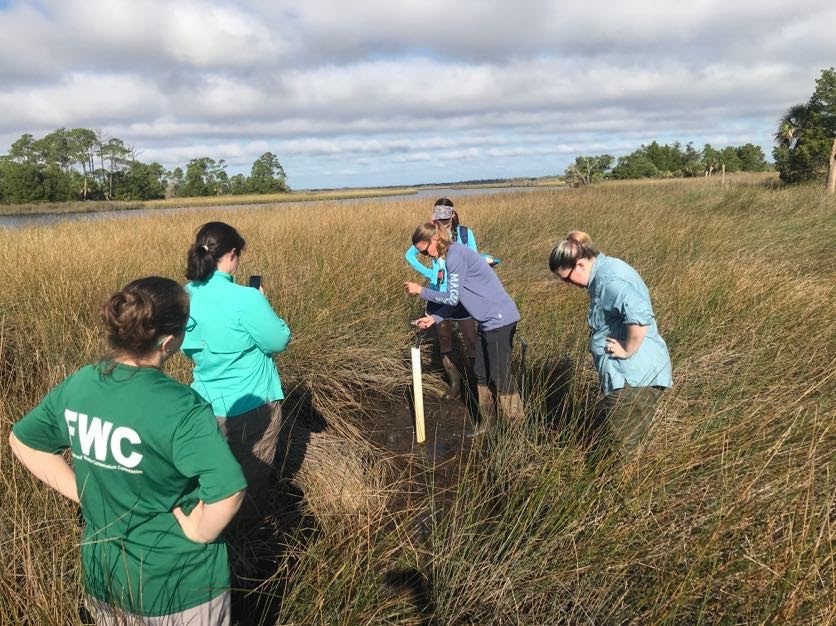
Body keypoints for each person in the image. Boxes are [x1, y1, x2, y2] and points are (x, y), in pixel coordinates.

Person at [9, 277, 246, 624]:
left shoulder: (80, 383)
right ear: (168, 341)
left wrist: (83, 491)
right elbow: (229, 489)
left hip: (104, 577)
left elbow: (23, 441)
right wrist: (200, 531)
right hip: (180, 585)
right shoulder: (183, 407)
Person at [183, 222, 291, 516]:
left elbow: (185, 346)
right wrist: (262, 300)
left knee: (212, 475)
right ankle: (248, 532)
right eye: (237, 256)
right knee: (252, 477)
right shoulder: (247, 298)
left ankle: (210, 525)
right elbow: (278, 340)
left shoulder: (184, 294)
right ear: (231, 254)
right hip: (253, 404)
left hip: (204, 402)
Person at [549, 231, 672, 459]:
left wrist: (628, 348)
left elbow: (640, 316)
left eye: (566, 278)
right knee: (624, 445)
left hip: (633, 381)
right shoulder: (604, 271)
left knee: (620, 453)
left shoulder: (609, 281)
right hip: (629, 379)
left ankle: (620, 492)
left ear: (580, 265)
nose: (567, 284)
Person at [405, 222, 523, 431]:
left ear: (434, 240)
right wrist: (435, 318)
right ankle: (487, 424)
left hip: (500, 319)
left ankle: (516, 427)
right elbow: (459, 299)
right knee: (481, 372)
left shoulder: (455, 256)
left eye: (425, 251)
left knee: (500, 374)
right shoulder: (451, 256)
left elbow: (451, 298)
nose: (427, 256)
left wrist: (421, 291)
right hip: (487, 321)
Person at [403, 198, 479, 400]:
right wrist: (429, 273)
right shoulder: (430, 234)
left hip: (461, 295)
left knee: (470, 340)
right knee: (445, 338)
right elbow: (409, 255)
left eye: (445, 218)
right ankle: (454, 384)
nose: (443, 223)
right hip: (437, 293)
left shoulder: (464, 233)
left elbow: (475, 258)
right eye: (439, 218)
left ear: (452, 215)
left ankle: (476, 383)